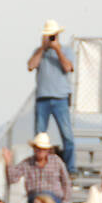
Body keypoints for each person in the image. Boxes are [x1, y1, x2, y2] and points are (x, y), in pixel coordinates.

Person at [28, 19, 75, 173]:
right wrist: (43, 48)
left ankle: (70, 168)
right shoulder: (39, 52)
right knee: (39, 135)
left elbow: (68, 68)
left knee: (67, 136)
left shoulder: (66, 50)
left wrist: (57, 50)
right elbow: (31, 65)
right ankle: (38, 166)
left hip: (60, 98)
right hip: (43, 99)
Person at [3, 133, 71, 203]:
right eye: (38, 148)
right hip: (34, 198)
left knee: (48, 202)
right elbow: (12, 178)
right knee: (40, 201)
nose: (41, 150)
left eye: (43, 148)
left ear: (48, 150)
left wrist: (65, 202)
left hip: (54, 198)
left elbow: (66, 181)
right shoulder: (27, 163)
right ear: (34, 148)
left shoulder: (56, 161)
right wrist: (8, 163)